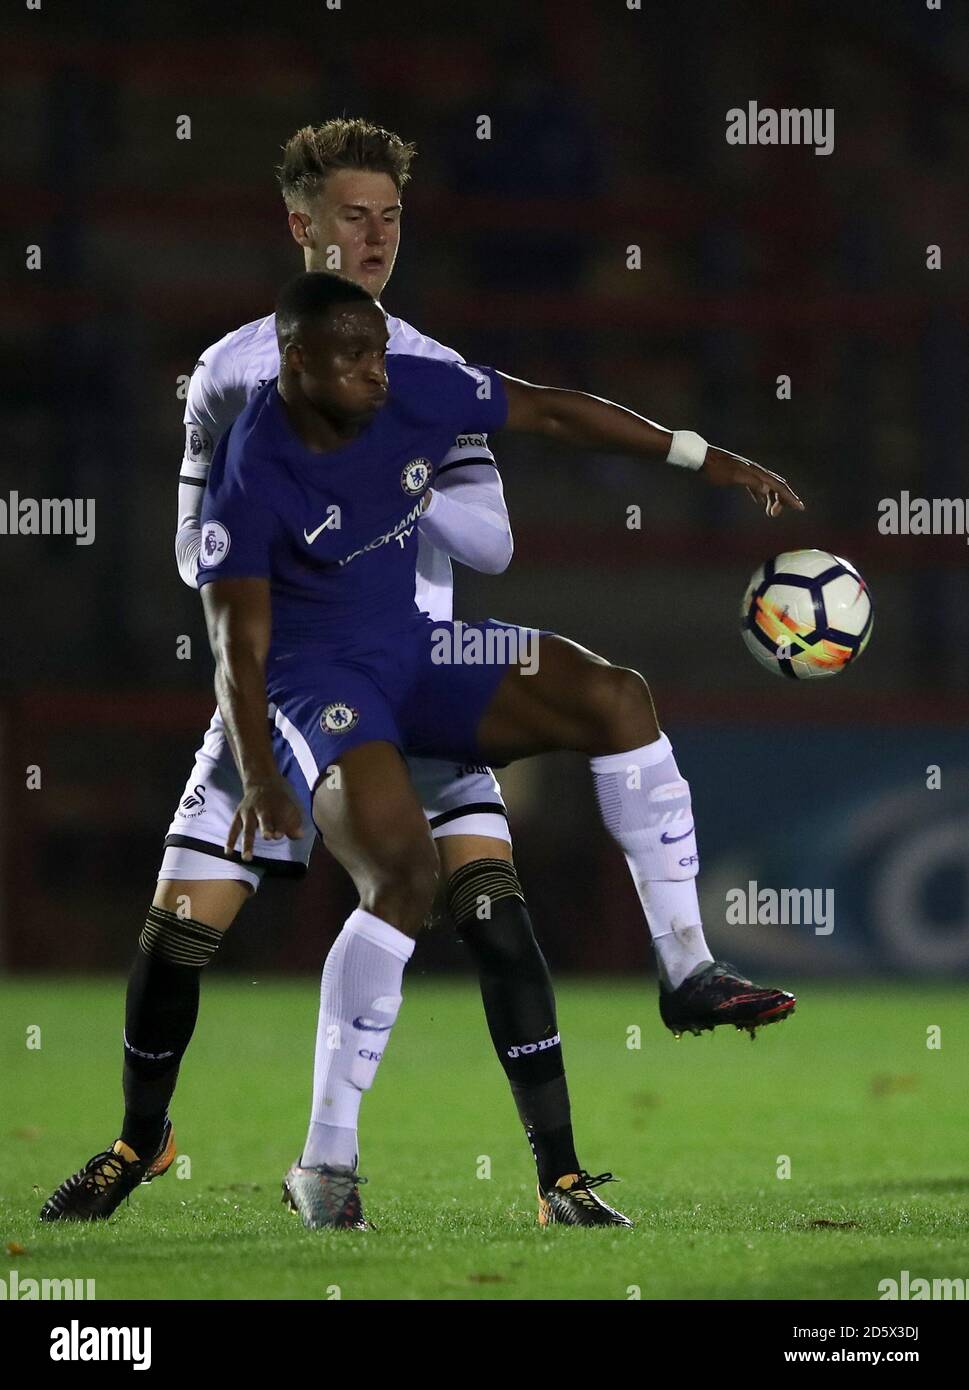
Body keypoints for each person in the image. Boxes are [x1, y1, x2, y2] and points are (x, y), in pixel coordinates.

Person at [41, 120, 645, 1231]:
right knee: (180, 931)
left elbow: (495, 541)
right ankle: (141, 1138)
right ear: (300, 225)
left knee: (494, 915)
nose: (375, 237)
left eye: (392, 216)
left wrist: (388, 482)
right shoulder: (227, 374)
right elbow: (192, 553)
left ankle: (558, 1173)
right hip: (285, 676)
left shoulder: (428, 371)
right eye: (353, 216)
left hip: (421, 677)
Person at [192, 270, 802, 1229]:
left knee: (614, 696)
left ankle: (687, 971)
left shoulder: (410, 386)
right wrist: (262, 778)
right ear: (295, 363)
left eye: (377, 352)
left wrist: (699, 455)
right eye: (350, 357)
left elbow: (554, 413)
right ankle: (326, 1161)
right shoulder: (251, 468)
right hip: (322, 685)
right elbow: (238, 643)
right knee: (400, 875)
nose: (375, 374)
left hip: (422, 653)